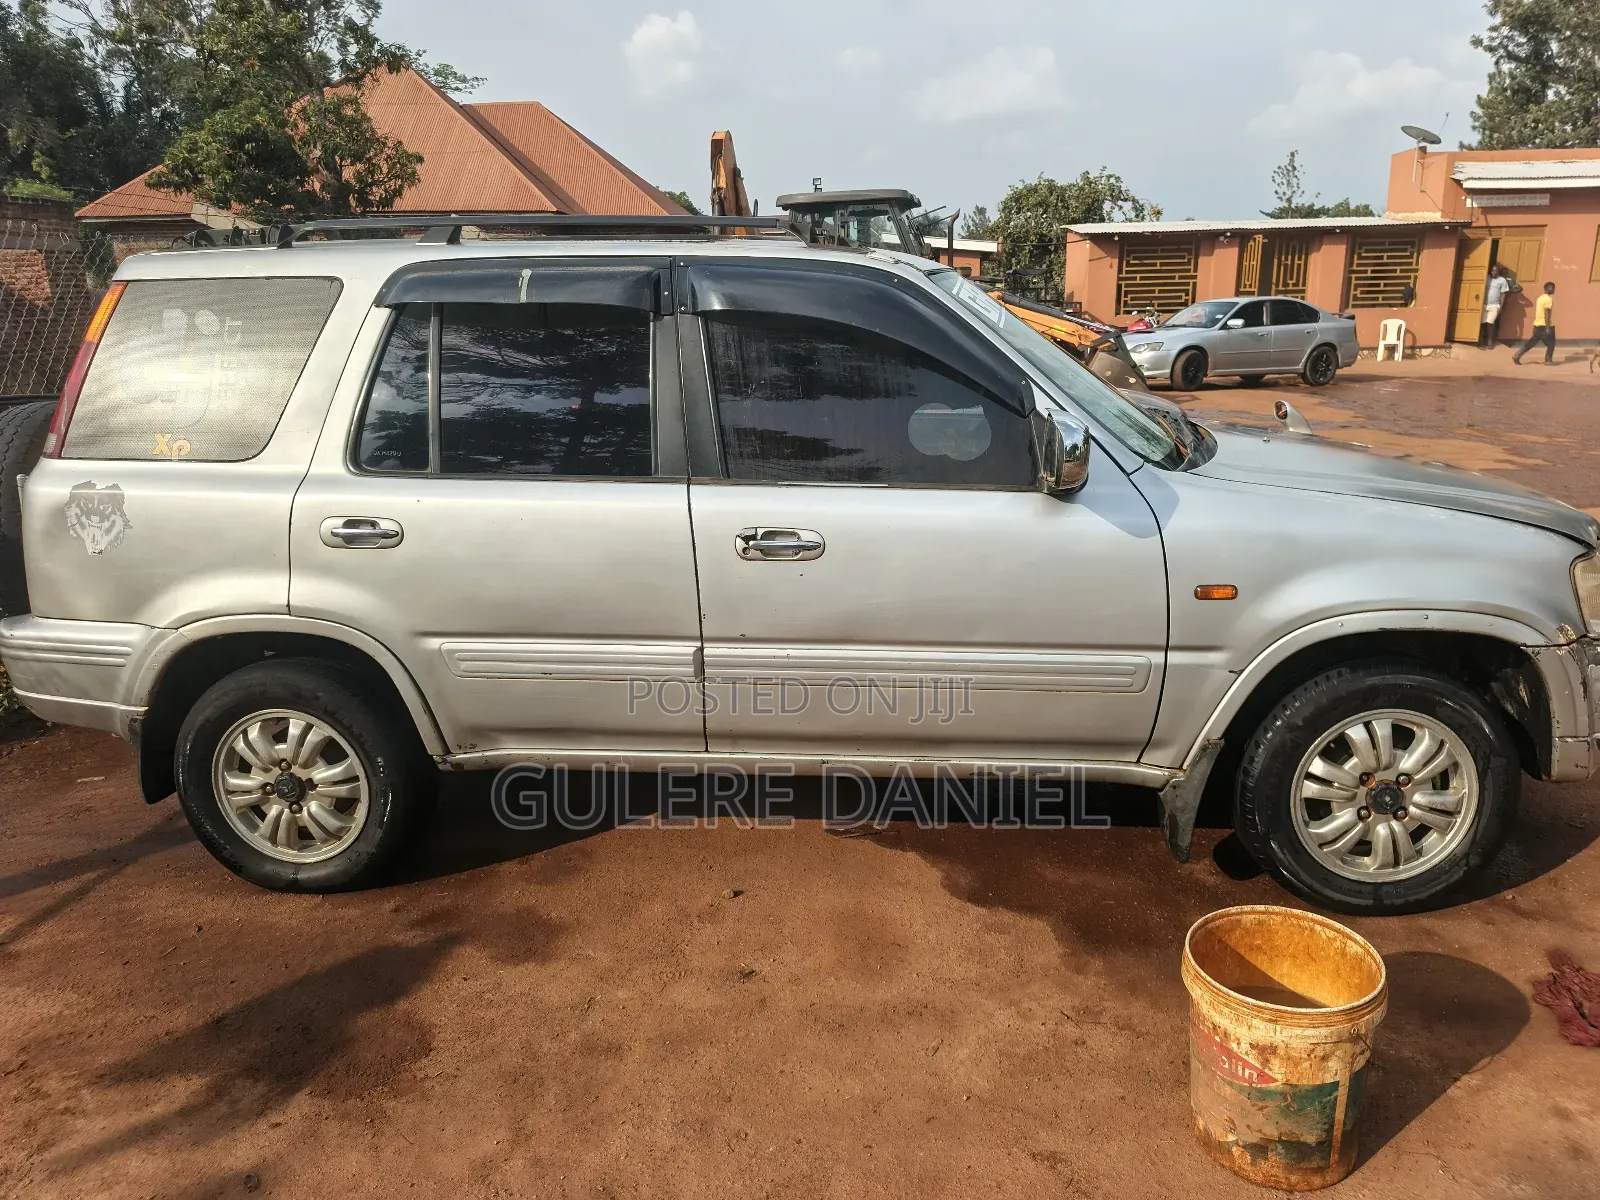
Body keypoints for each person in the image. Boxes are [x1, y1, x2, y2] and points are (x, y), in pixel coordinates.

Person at [1513, 282, 1557, 365]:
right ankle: (1548, 360)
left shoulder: (1540, 298)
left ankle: (1517, 355)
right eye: (1552, 288)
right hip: (1545, 325)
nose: (1554, 290)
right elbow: (1547, 313)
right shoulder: (1548, 299)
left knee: (1532, 342)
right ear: (1547, 289)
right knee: (1551, 343)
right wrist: (1548, 327)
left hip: (1537, 325)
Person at [1480, 264, 1518, 349]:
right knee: (1483, 324)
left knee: (1490, 324)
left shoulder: (1502, 280)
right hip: (1484, 305)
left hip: (1494, 306)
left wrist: (1501, 306)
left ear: (1498, 272)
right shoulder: (1486, 278)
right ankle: (1481, 341)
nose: (1494, 272)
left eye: (1495, 271)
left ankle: (1490, 341)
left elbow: (1503, 295)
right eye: (1492, 270)